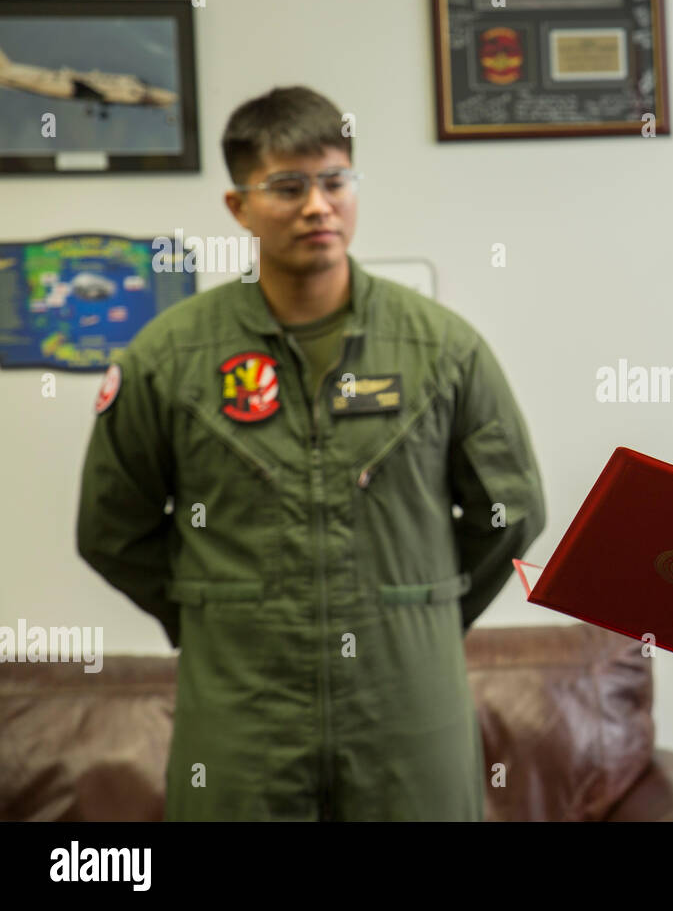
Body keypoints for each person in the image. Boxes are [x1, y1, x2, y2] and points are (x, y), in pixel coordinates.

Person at [76, 85, 546, 820]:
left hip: (407, 711)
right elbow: (112, 527)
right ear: (238, 207)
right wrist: (211, 612)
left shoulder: (443, 349)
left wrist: (422, 608)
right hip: (241, 716)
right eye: (287, 187)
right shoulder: (168, 357)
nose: (317, 206)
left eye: (335, 182)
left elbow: (509, 512)